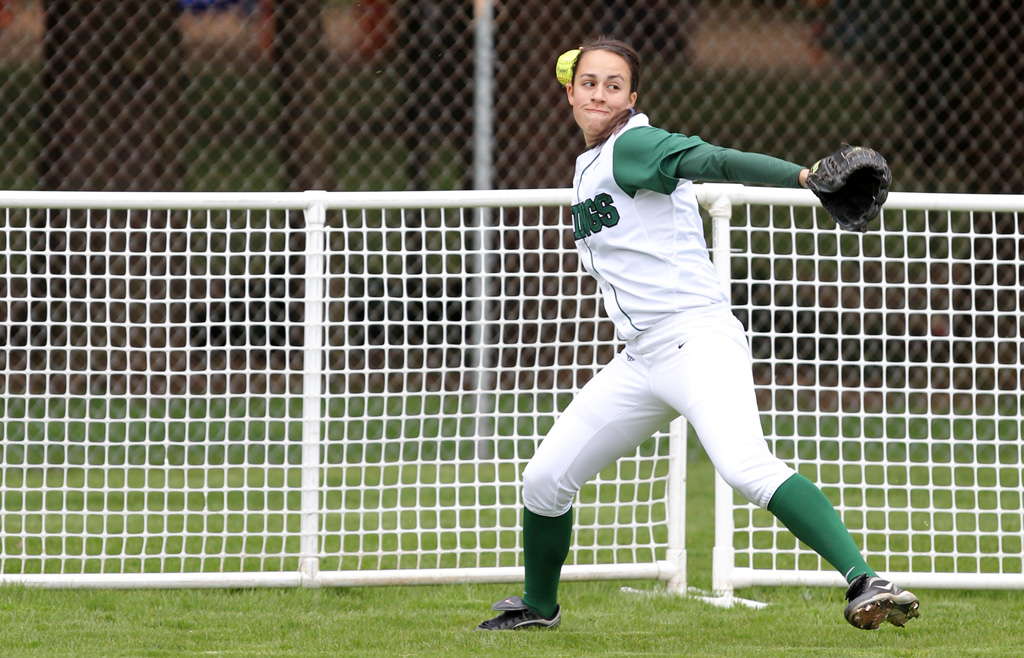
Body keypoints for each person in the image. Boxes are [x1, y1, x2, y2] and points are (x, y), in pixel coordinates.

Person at [476, 37, 920, 632]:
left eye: (614, 85)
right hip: (641, 358)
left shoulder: (633, 143)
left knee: (744, 467)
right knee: (545, 479)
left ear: (632, 98)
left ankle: (869, 581)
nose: (600, 94)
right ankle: (539, 606)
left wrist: (804, 177)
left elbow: (709, 160)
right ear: (570, 91)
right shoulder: (593, 163)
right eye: (589, 83)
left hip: (696, 340)